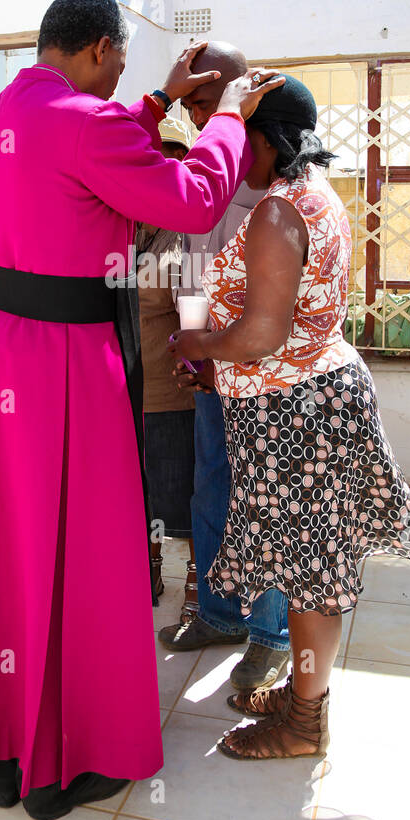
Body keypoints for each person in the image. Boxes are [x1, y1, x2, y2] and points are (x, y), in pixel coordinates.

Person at [0, 0, 283, 820]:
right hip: (63, 360)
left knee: (10, 543)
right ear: (95, 48)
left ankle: (7, 753)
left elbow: (80, 146)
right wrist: (228, 116)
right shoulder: (87, 127)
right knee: (81, 549)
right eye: (119, 60)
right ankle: (67, 760)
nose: (123, 74)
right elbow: (192, 196)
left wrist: (157, 97)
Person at [170, 75, 410, 761]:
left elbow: (260, 334)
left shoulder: (279, 213)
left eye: (239, 138)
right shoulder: (316, 200)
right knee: (306, 564)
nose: (230, 153)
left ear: (266, 139)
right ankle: (302, 697)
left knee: (313, 574)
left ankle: (304, 722)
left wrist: (198, 344)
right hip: (304, 401)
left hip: (298, 413)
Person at [159, 42, 290, 695]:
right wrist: (191, 346)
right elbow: (190, 268)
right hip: (211, 374)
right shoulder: (201, 173)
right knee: (212, 491)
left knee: (262, 505)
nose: (200, 119)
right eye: (192, 106)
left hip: (266, 378)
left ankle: (272, 637)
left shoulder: (284, 185)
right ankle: (217, 613)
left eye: (208, 104)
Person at [134, 114, 197, 604]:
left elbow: (196, 315)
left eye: (176, 158)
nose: (167, 169)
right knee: (137, 495)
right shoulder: (120, 222)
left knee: (183, 491)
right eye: (157, 158)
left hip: (171, 392)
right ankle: (149, 568)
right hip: (121, 390)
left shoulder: (190, 233)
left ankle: (199, 575)